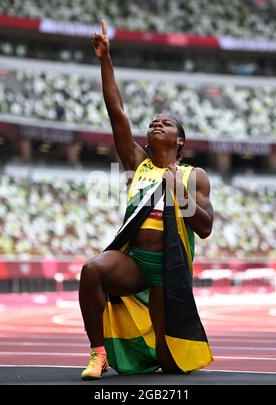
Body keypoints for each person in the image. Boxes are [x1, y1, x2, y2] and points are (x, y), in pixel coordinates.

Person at [79, 20, 214, 380]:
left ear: (180, 140)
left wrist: (177, 190)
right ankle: (98, 353)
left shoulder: (193, 176)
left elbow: (204, 228)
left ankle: (159, 347)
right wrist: (105, 59)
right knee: (92, 269)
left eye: (165, 123)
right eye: (153, 122)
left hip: (167, 273)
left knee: (170, 368)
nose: (156, 124)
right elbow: (117, 113)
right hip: (136, 262)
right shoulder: (137, 164)